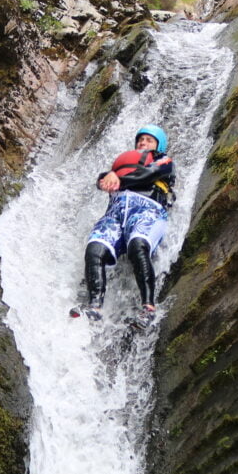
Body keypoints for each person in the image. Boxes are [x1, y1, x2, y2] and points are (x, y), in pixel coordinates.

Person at [70, 124, 175, 324]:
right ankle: (94, 306)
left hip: (148, 210)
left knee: (138, 245)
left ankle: (149, 308)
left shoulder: (164, 160)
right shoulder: (116, 170)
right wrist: (105, 177)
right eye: (140, 140)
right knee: (94, 249)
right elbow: (101, 182)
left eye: (149, 140)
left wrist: (117, 178)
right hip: (116, 214)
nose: (143, 143)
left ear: (158, 145)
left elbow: (149, 174)